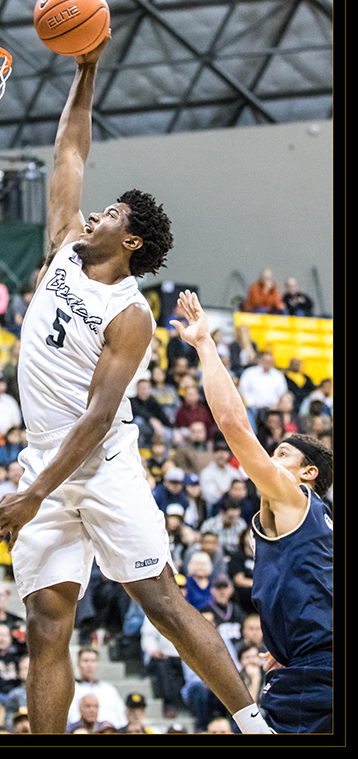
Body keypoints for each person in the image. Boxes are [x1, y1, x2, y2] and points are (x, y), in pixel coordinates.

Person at [0, 35, 272, 736]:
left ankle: (254, 722)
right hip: (43, 462)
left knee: (159, 599)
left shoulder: (131, 314)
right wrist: (87, 68)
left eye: (113, 215)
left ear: (131, 243)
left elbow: (100, 417)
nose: (98, 211)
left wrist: (35, 492)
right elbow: (69, 153)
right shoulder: (66, 243)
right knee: (46, 623)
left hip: (101, 466)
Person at [171, 289, 333, 733]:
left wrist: (205, 345)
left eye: (282, 454)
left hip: (312, 675)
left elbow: (232, 423)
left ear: (308, 473)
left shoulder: (293, 495)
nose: (271, 462)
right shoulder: (318, 522)